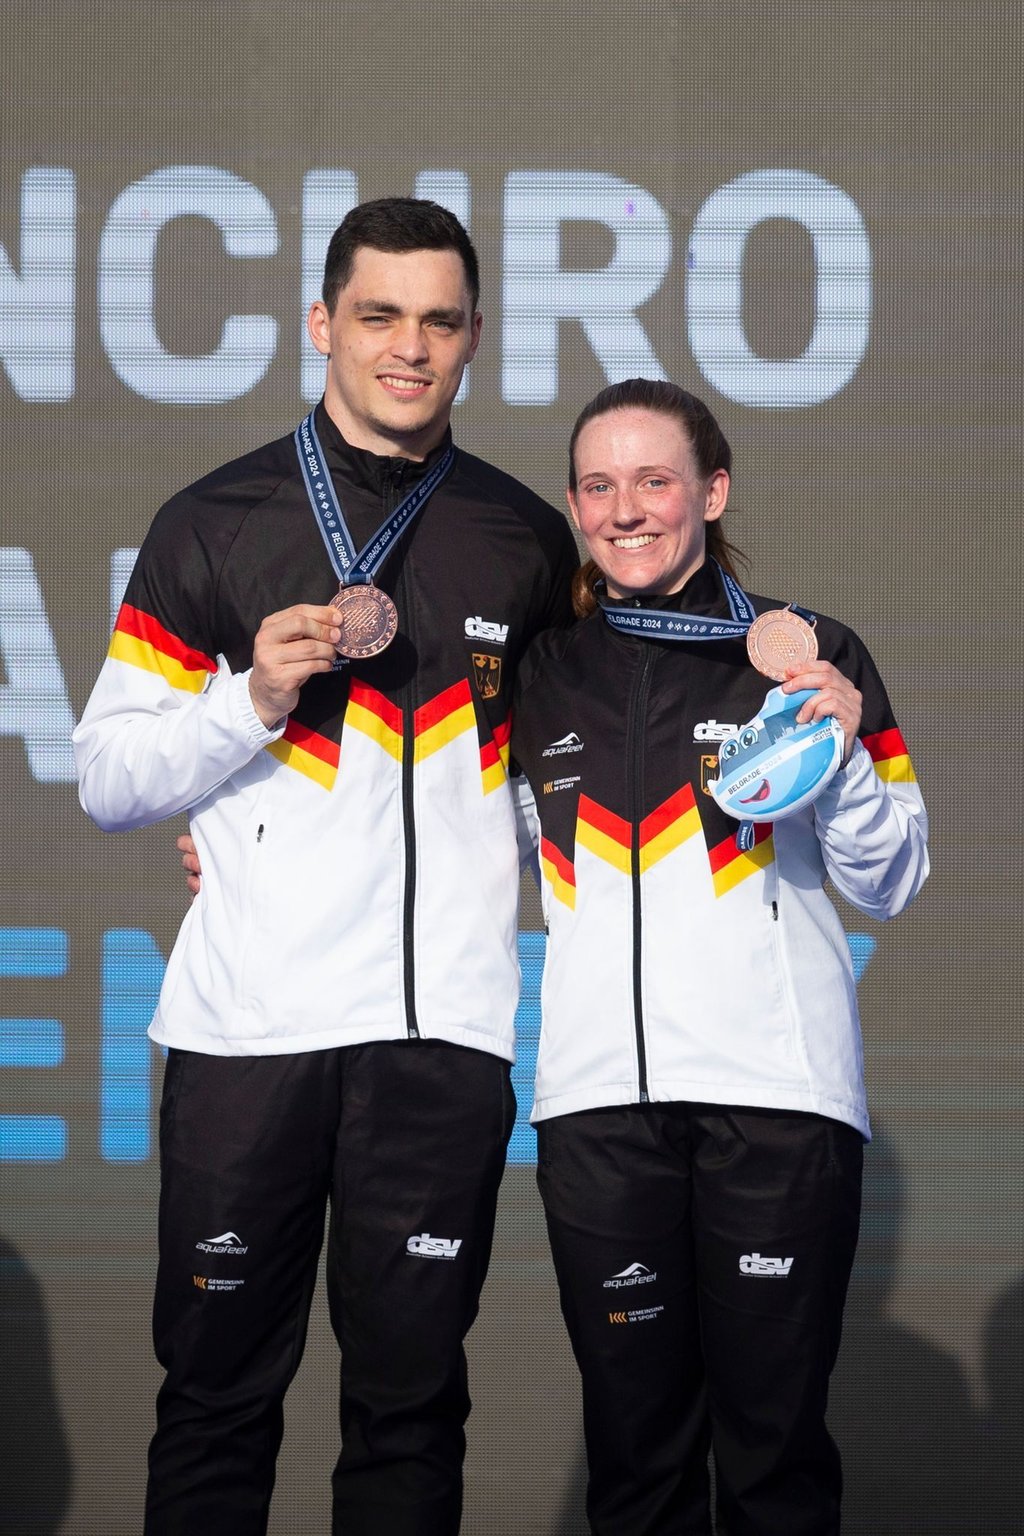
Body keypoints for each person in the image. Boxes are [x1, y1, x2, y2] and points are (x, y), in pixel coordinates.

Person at [72, 197, 578, 1536]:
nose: (408, 346)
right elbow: (113, 776)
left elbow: (552, 793)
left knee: (410, 1416)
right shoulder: (212, 520)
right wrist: (246, 703)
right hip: (251, 1036)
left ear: (473, 340)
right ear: (322, 326)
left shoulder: (526, 539)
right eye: (379, 315)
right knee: (216, 1399)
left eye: (439, 320)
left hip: (440, 1042)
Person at [509, 379, 929, 1536]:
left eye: (655, 480)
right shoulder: (540, 675)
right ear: (573, 506)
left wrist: (836, 744)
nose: (625, 509)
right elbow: (454, 847)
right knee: (636, 1464)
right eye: (599, 485)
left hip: (775, 1106)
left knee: (771, 1461)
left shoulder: (811, 651)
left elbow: (890, 877)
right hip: (596, 1111)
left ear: (713, 489)